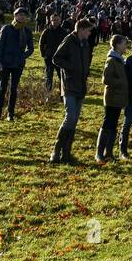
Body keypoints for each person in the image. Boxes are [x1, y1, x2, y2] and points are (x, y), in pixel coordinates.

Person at [49, 17, 95, 165]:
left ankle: (66, 153)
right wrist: (71, 68)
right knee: (70, 117)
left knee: (74, 120)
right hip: (69, 85)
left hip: (81, 85)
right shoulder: (69, 41)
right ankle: (56, 151)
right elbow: (56, 58)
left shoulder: (85, 44)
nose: (89, 34)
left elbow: (86, 62)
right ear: (81, 30)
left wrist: (85, 72)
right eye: (88, 31)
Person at [0, 7, 35, 121]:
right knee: (2, 88)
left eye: (23, 15)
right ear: (15, 16)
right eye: (19, 14)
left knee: (14, 88)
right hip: (5, 63)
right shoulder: (7, 28)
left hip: (18, 64)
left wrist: (23, 56)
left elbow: (31, 48)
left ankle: (10, 114)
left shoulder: (27, 31)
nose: (21, 17)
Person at [97, 34, 130, 163]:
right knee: (107, 123)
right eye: (123, 44)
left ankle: (109, 153)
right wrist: (121, 82)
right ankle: (99, 153)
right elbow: (106, 79)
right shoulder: (112, 60)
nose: (125, 46)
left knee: (113, 124)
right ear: (117, 45)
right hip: (112, 97)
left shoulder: (120, 60)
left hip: (118, 98)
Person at [39, 12, 66, 100]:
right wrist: (43, 54)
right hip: (49, 57)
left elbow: (67, 45)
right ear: (50, 21)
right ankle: (48, 95)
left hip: (60, 58)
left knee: (61, 77)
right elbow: (41, 43)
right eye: (53, 20)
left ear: (60, 20)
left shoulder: (64, 32)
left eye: (57, 20)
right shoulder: (46, 31)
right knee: (49, 77)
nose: (55, 22)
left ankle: (63, 95)